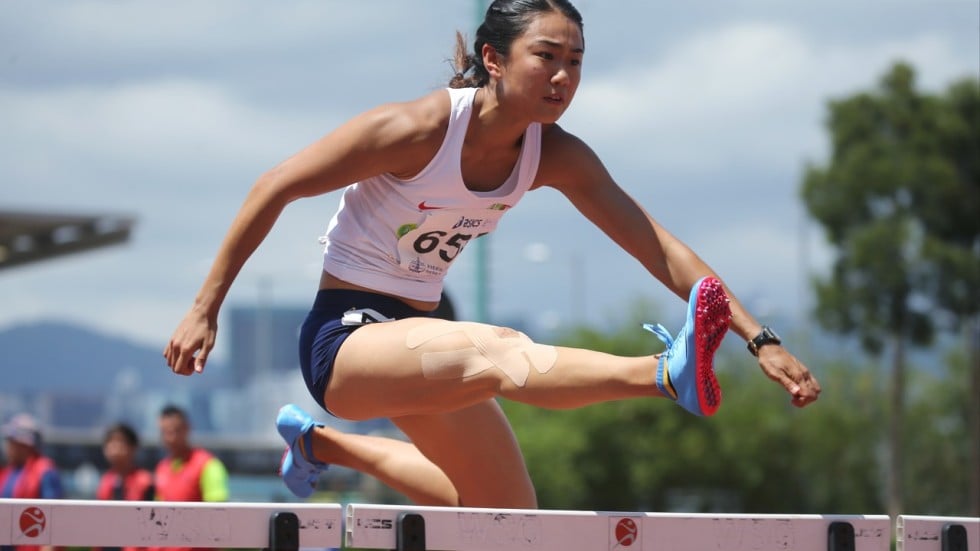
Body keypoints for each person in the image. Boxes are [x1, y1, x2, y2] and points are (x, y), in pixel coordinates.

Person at [165, 0, 821, 508]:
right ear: (494, 58)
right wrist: (204, 308)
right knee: (498, 348)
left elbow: (657, 246)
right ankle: (664, 375)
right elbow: (275, 185)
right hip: (346, 340)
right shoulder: (419, 129)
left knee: (507, 513)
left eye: (576, 61)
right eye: (546, 56)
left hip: (422, 338)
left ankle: (322, 446)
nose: (563, 77)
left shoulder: (555, 154)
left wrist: (758, 338)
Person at [154, 406, 228, 551]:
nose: (170, 438)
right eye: (164, 432)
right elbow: (158, 516)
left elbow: (217, 514)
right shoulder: (161, 467)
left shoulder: (208, 464)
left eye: (175, 431)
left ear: (187, 428)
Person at [1, 414, 63, 551]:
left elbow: (53, 514)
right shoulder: (8, 471)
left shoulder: (45, 470)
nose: (7, 446)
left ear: (25, 445)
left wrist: (48, 547)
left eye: (11, 441)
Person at [95, 423, 154, 551]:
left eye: (119, 442)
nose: (114, 447)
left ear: (133, 448)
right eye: (110, 442)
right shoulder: (105, 481)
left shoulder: (145, 481)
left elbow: (153, 526)